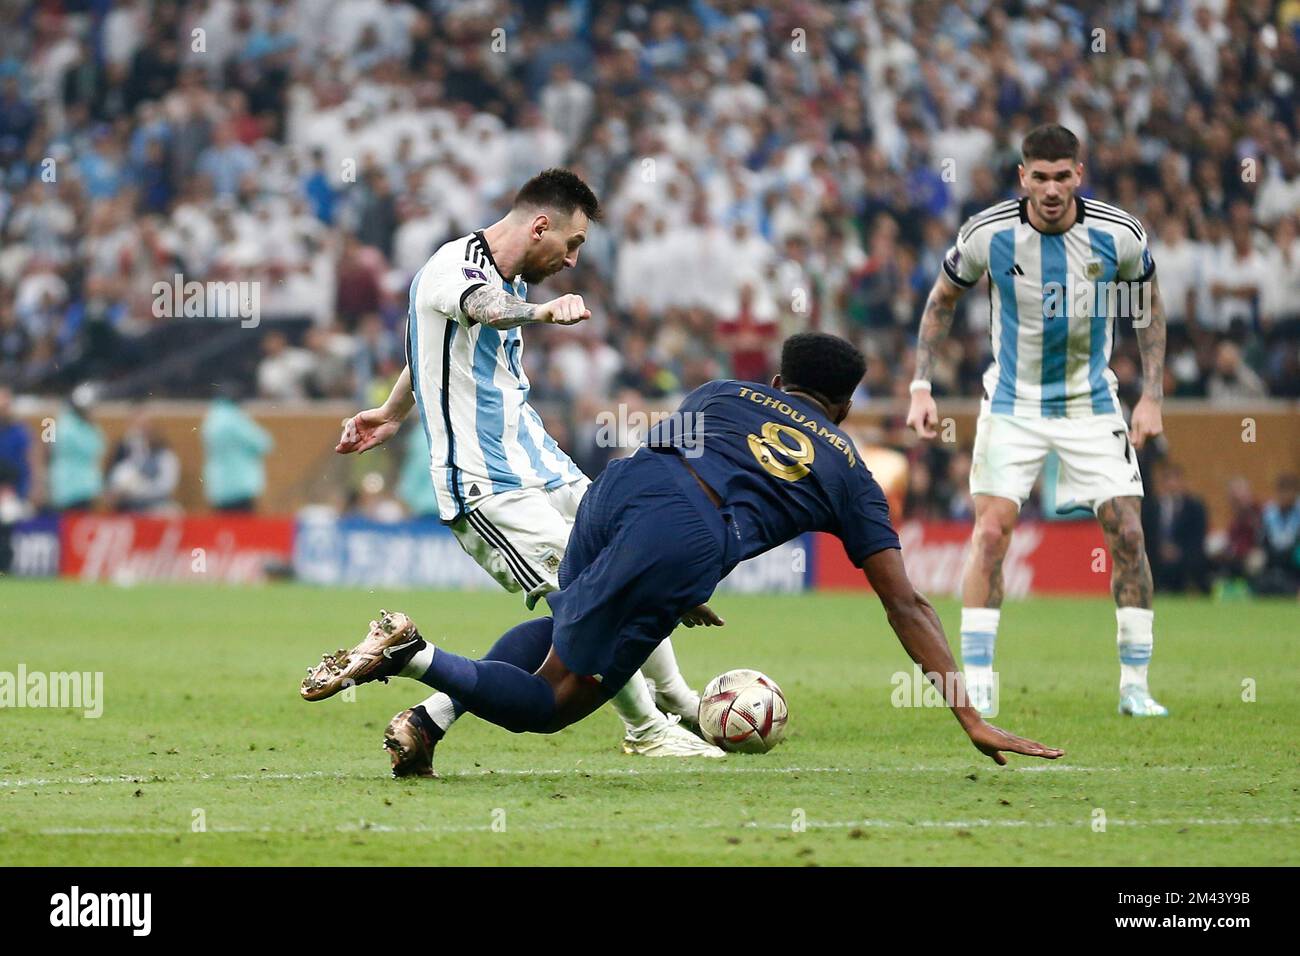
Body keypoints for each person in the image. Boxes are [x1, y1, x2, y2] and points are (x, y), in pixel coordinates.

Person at [300, 333, 1063, 766]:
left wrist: (661, 569)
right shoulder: (850, 471)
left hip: (619, 489)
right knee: (552, 706)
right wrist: (969, 716)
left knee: (565, 626)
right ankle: (412, 651)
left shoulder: (722, 391)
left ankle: (428, 722)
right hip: (683, 536)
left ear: (778, 379)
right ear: (847, 406)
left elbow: (693, 467)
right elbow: (906, 602)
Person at [306, 169, 719, 774]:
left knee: (636, 555)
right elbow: (485, 309)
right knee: (590, 598)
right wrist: (543, 314)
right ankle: (647, 727)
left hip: (544, 467)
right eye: (573, 244)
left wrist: (395, 411)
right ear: (541, 225)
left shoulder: (506, 273)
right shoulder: (459, 269)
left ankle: (435, 719)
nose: (574, 260)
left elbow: (436, 342)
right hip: (487, 487)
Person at [906, 124, 1171, 717]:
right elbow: (942, 300)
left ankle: (1135, 685)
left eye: (1062, 175)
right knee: (992, 532)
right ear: (1022, 177)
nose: (1051, 188)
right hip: (1011, 405)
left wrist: (1151, 395)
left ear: (1080, 174)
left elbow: (1149, 308)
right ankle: (977, 681)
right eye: (1040, 176)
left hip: (1091, 404)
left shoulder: (1119, 234)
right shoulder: (987, 233)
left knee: (1127, 530)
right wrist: (921, 385)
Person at [201, 385, 273, 512]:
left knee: (224, 528)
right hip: (240, 484)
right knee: (242, 528)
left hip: (217, 486)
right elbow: (263, 443)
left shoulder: (211, 419)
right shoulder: (235, 419)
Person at [47, 391, 106, 511]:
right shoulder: (66, 425)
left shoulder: (86, 427)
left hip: (84, 486)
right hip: (70, 486)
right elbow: (94, 448)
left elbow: (99, 449)